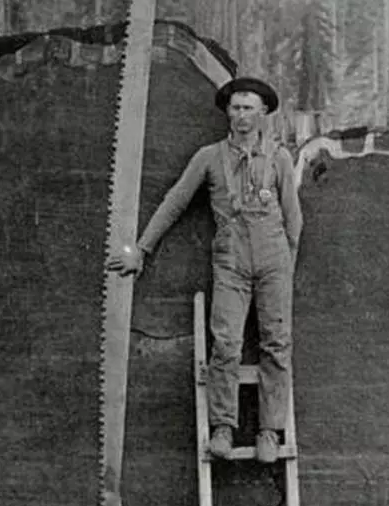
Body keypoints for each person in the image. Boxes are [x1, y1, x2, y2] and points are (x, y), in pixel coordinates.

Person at [109, 75, 301, 464]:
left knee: (276, 344)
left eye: (249, 107)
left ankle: (269, 431)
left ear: (263, 112)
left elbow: (295, 222)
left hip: (274, 262)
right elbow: (175, 201)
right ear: (227, 113)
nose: (241, 115)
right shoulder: (210, 157)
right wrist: (141, 250)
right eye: (235, 107)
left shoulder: (279, 158)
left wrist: (285, 271)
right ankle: (223, 427)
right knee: (226, 344)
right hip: (230, 263)